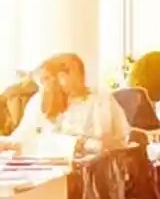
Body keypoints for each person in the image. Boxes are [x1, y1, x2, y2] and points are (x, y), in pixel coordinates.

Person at [0, 53, 130, 153]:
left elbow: (104, 144)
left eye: (47, 79)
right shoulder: (40, 100)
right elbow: (23, 136)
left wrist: (78, 144)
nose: (44, 85)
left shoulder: (99, 100)